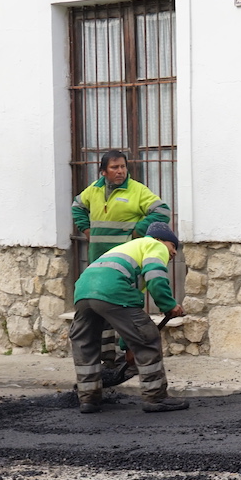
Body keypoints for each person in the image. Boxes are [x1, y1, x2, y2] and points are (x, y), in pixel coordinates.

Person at [71, 150, 172, 376]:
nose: (120, 171)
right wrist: (86, 230)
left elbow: (162, 211)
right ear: (103, 171)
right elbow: (77, 206)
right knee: (100, 313)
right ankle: (109, 359)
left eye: (123, 167)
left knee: (127, 307)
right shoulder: (94, 190)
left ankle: (128, 353)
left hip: (127, 263)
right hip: (99, 261)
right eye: (115, 168)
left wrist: (137, 231)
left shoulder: (137, 190)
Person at [69, 222, 186, 413]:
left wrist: (128, 346)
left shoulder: (125, 249)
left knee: (86, 345)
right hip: (111, 289)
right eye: (173, 247)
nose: (173, 254)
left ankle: (88, 399)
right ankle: (156, 398)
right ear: (159, 240)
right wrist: (169, 305)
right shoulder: (153, 245)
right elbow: (155, 277)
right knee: (147, 339)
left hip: (83, 290)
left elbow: (128, 314)